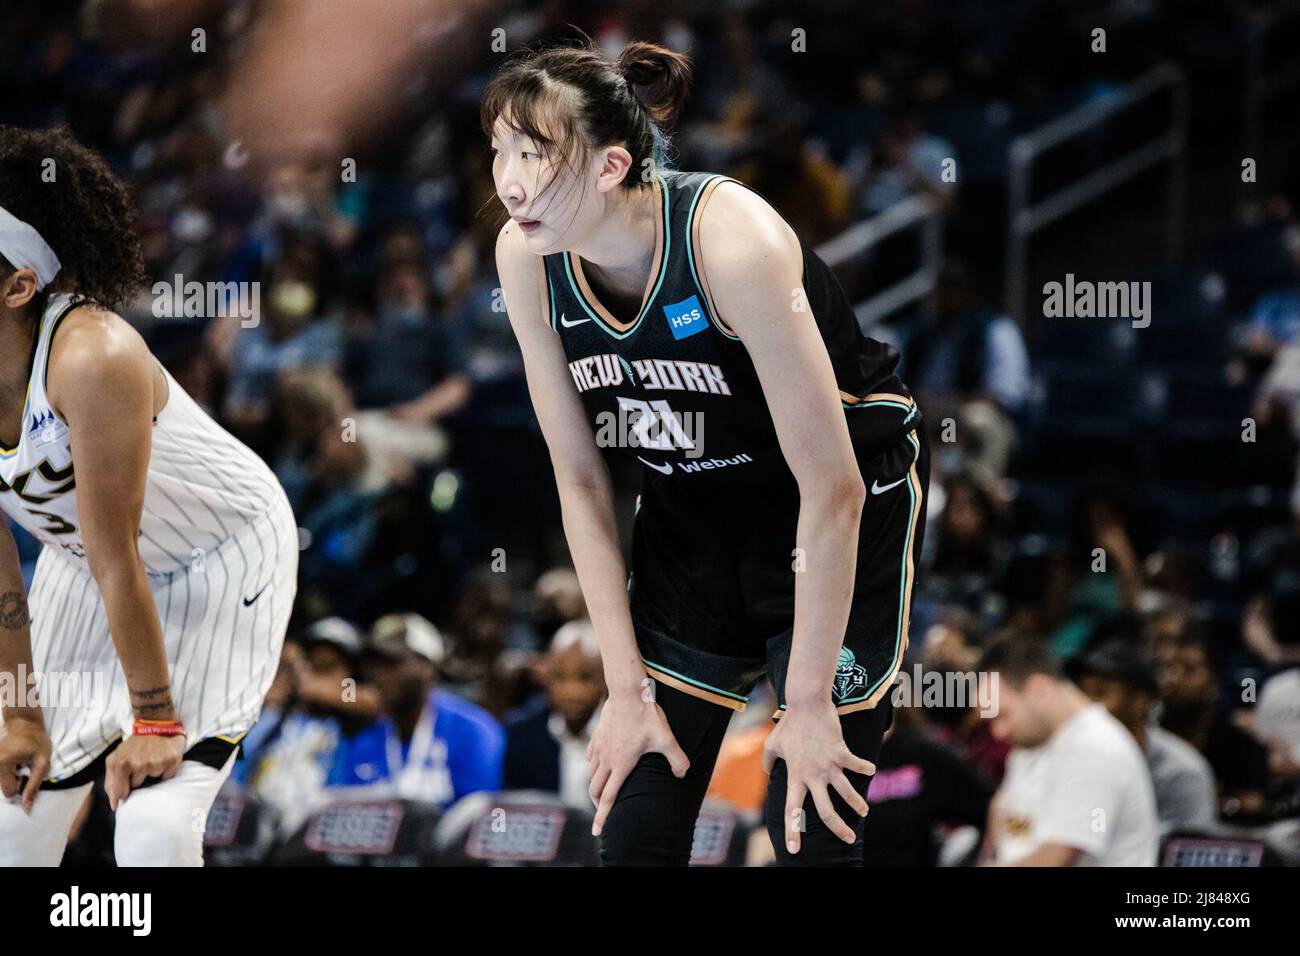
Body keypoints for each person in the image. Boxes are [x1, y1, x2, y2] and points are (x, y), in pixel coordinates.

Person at [486, 41, 927, 865]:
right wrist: (623, 687)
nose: (508, 181)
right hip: (691, 505)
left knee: (806, 818)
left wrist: (805, 705)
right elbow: (579, 479)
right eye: (501, 151)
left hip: (836, 506)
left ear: (614, 163)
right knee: (635, 828)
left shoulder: (734, 243)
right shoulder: (524, 256)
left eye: (535, 154)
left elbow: (831, 487)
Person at [0, 125, 299, 866]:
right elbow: (3, 570)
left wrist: (156, 720)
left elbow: (117, 550)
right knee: (12, 821)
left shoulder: (92, 357)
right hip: (87, 565)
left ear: (18, 286)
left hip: (218, 554)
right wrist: (19, 714)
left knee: (153, 832)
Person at [978, 637, 1158, 866]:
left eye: (1002, 715)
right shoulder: (1031, 741)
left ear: (1039, 689)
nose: (998, 732)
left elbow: (1054, 860)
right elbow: (1005, 818)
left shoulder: (1095, 747)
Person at [329, 613, 504, 808]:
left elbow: (478, 819)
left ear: (428, 667)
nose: (379, 675)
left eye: (393, 663)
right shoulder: (363, 741)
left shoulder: (472, 732)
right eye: (375, 664)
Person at [1067, 640, 1217, 831]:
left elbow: (1189, 852)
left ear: (1141, 701)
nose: (1087, 706)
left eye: (1100, 692)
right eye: (1081, 694)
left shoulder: (1181, 773)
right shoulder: (1069, 759)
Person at [502, 619, 605, 807]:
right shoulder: (520, 734)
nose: (572, 691)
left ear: (605, 677)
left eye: (585, 677)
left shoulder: (623, 737)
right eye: (560, 677)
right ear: (546, 677)